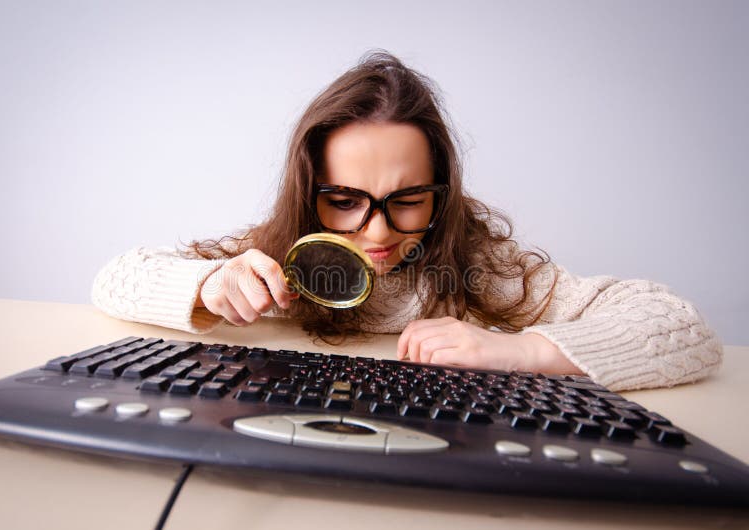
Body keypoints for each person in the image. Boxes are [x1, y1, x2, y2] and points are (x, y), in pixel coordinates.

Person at [92, 51, 722, 392]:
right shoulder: (279, 258)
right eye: (344, 200)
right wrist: (210, 285)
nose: (376, 232)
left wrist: (521, 350)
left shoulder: (483, 273)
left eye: (407, 199)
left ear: (441, 194)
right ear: (308, 193)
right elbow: (116, 277)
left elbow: (682, 329)